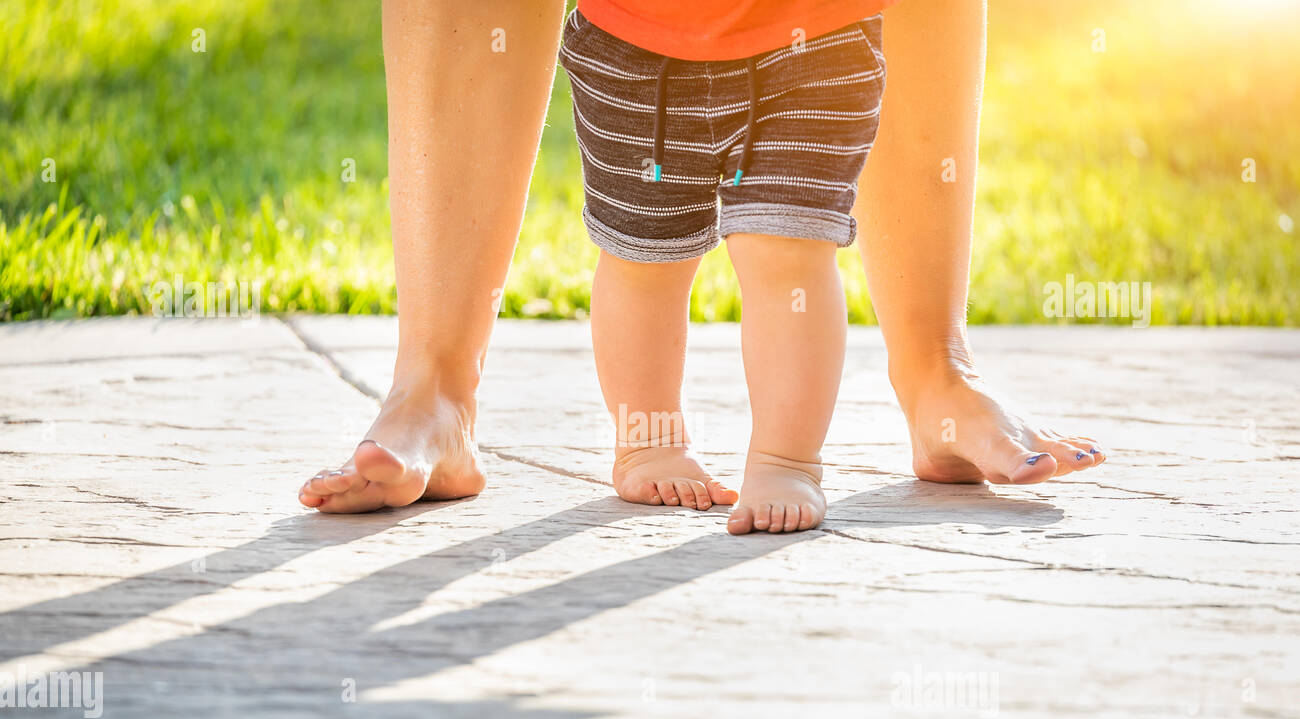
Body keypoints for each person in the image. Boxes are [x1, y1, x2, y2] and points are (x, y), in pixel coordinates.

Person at [298, 0, 1105, 517]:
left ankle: (869, 411)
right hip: (634, 47)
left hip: (819, 41)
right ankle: (465, 399)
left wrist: (787, 470)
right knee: (643, 258)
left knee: (790, 254)